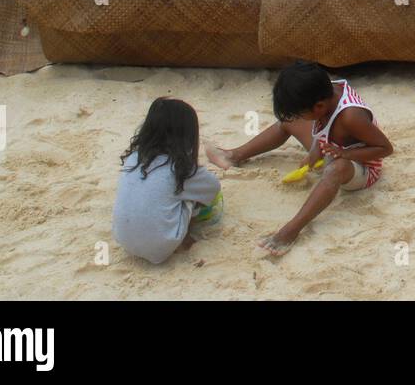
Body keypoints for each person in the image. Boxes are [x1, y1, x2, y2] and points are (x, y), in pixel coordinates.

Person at [206, 63, 393, 256]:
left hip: (361, 167)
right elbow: (322, 127)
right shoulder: (324, 92)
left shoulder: (351, 116)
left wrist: (345, 154)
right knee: (289, 121)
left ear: (319, 106)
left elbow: (385, 149)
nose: (302, 118)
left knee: (335, 169)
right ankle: (232, 156)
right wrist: (315, 152)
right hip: (333, 148)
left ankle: (291, 230)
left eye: (304, 113)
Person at [113, 97, 223, 264]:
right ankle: (186, 238)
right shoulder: (181, 168)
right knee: (196, 196)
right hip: (163, 245)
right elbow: (213, 187)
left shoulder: (133, 158)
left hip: (123, 240)